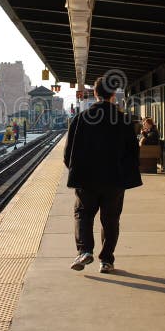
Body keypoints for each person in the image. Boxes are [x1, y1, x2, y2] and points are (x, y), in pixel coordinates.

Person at [63, 75, 142, 273]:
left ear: (95, 93)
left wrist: (75, 169)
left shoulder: (80, 119)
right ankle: (106, 260)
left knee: (83, 213)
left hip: (86, 179)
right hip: (114, 179)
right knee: (110, 219)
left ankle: (85, 251)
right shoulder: (123, 120)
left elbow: (68, 153)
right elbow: (133, 151)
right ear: (113, 94)